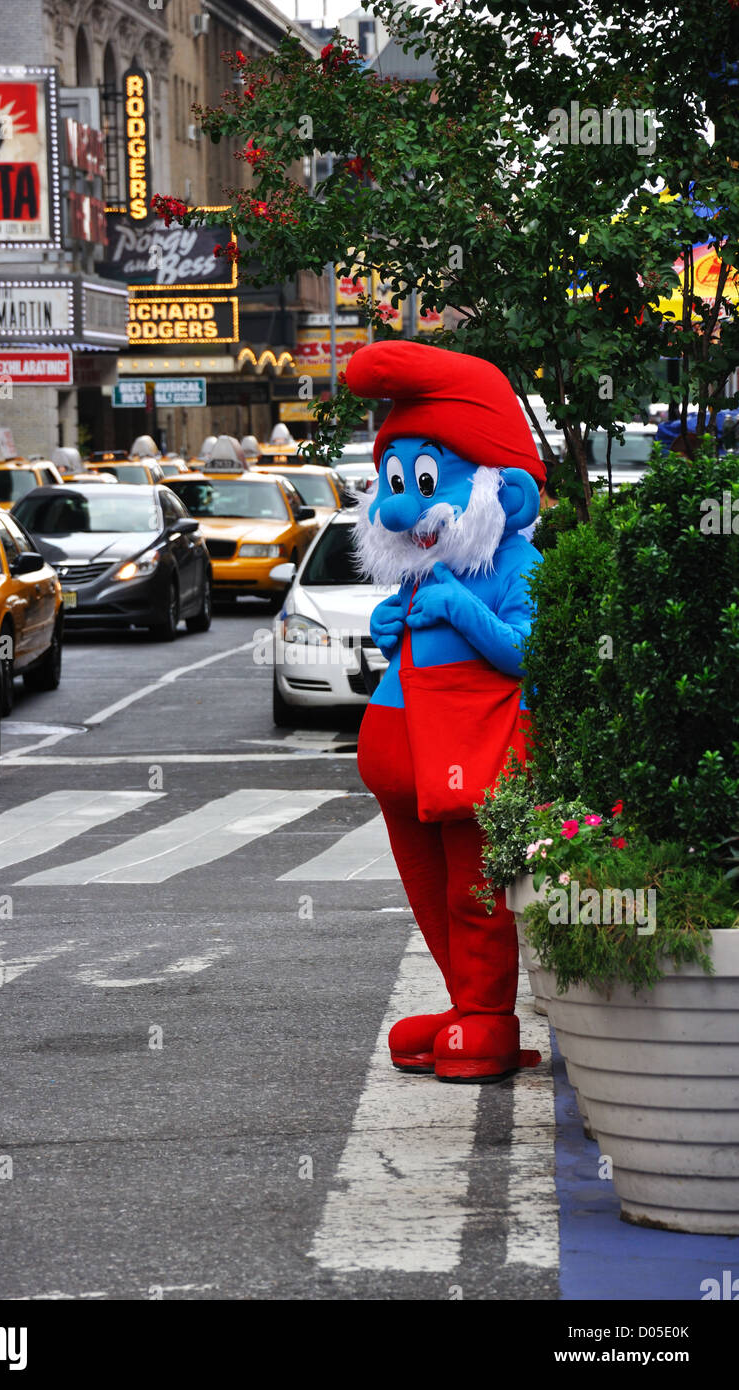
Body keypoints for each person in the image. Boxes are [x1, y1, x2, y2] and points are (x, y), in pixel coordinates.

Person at [347, 340, 545, 1083]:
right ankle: (464, 1005)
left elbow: (526, 652)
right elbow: (410, 652)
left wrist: (461, 609)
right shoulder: (419, 569)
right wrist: (384, 627)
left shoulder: (512, 566)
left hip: (468, 764)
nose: (399, 505)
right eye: (393, 480)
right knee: (430, 898)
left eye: (424, 479)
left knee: (474, 893)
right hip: (402, 767)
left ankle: (488, 1017)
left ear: (505, 491)